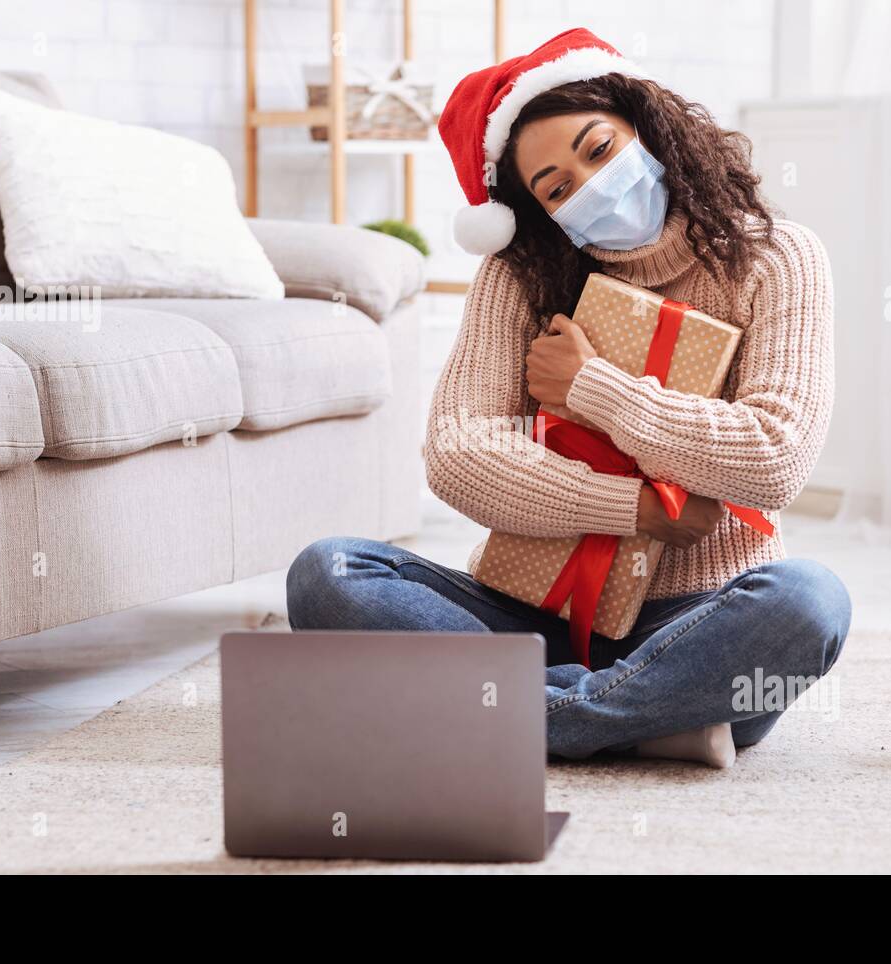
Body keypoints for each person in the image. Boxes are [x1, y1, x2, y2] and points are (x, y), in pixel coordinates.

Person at [287, 27, 851, 767]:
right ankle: (647, 716)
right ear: (540, 210)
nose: (590, 185)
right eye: (557, 187)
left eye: (599, 149)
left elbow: (775, 457)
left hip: (697, 620)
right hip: (528, 611)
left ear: (648, 126)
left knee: (808, 603)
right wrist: (638, 509)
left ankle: (511, 709)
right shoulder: (519, 275)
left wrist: (594, 387)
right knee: (328, 575)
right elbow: (459, 454)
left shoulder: (776, 257)